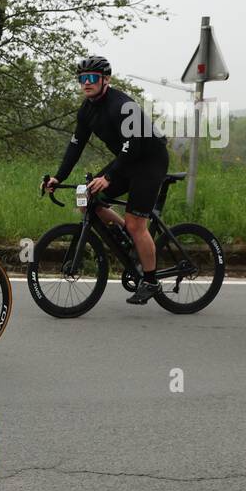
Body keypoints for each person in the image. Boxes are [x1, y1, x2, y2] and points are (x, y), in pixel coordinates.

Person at [41, 55, 169, 305]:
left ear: (105, 80)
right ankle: (127, 237)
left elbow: (134, 147)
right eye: (82, 79)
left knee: (136, 224)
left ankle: (151, 281)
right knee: (85, 199)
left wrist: (109, 176)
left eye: (91, 78)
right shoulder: (87, 109)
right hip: (127, 159)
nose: (86, 83)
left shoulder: (121, 105)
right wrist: (58, 176)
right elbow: (75, 146)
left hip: (149, 160)